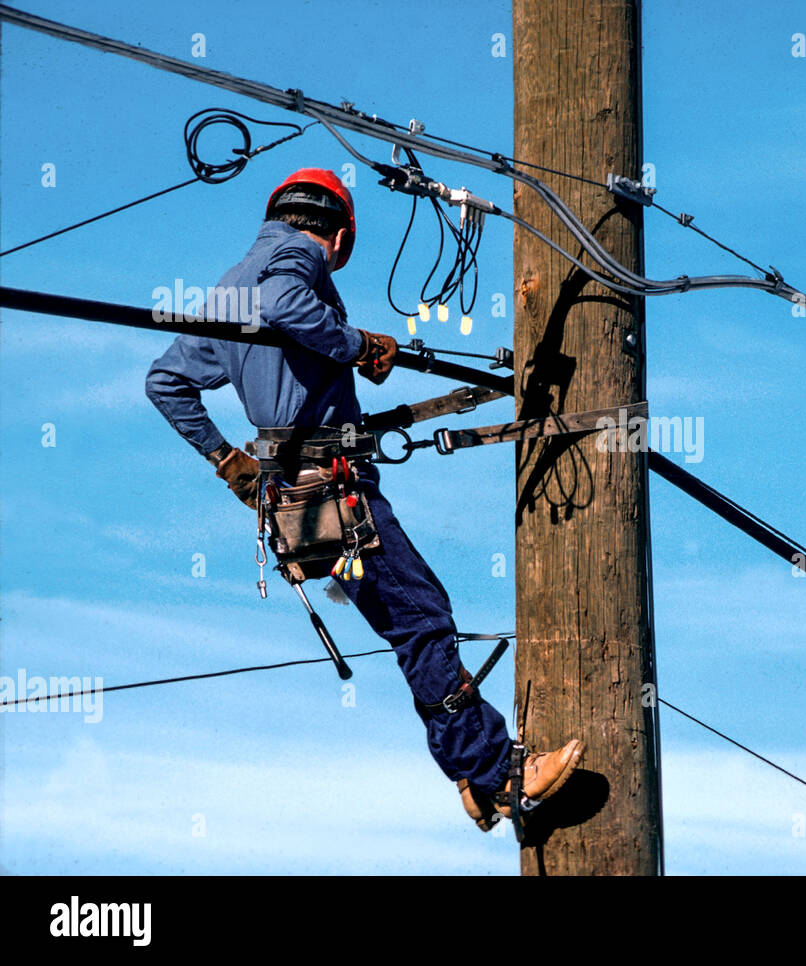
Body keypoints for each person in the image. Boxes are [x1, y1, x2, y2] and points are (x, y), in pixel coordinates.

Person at [144, 167, 582, 833]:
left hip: (295, 502)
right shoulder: (299, 256)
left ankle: (471, 776)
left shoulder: (228, 286)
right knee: (422, 617)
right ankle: (495, 774)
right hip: (335, 489)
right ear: (340, 236)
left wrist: (228, 461)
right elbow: (287, 305)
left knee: (414, 622)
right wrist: (354, 343)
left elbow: (166, 382)